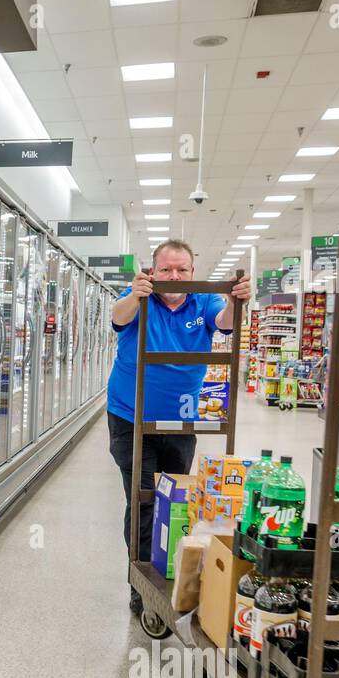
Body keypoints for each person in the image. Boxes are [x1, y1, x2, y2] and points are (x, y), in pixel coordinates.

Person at [106, 239, 252, 615]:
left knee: (173, 500)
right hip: (130, 417)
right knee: (142, 501)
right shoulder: (138, 296)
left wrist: (237, 301)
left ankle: (170, 569)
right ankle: (140, 584)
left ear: (192, 272)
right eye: (166, 269)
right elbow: (118, 317)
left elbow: (224, 324)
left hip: (181, 421)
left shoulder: (204, 301)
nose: (174, 276)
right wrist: (133, 295)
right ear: (153, 272)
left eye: (182, 269)